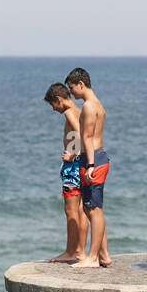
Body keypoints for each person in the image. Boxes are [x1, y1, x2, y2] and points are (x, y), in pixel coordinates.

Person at [64, 67, 111, 268]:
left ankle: (92, 257)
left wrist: (90, 164)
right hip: (94, 157)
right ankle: (103, 255)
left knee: (94, 209)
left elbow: (88, 137)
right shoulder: (98, 105)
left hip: (93, 160)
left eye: (72, 88)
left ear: (81, 84)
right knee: (91, 207)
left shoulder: (89, 107)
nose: (72, 93)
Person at [43, 82, 87, 263]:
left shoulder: (69, 113)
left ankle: (71, 251)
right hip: (82, 164)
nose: (54, 109)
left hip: (73, 168)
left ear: (59, 99)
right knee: (82, 211)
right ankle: (80, 251)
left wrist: (72, 156)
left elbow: (81, 135)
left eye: (53, 104)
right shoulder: (81, 111)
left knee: (70, 211)